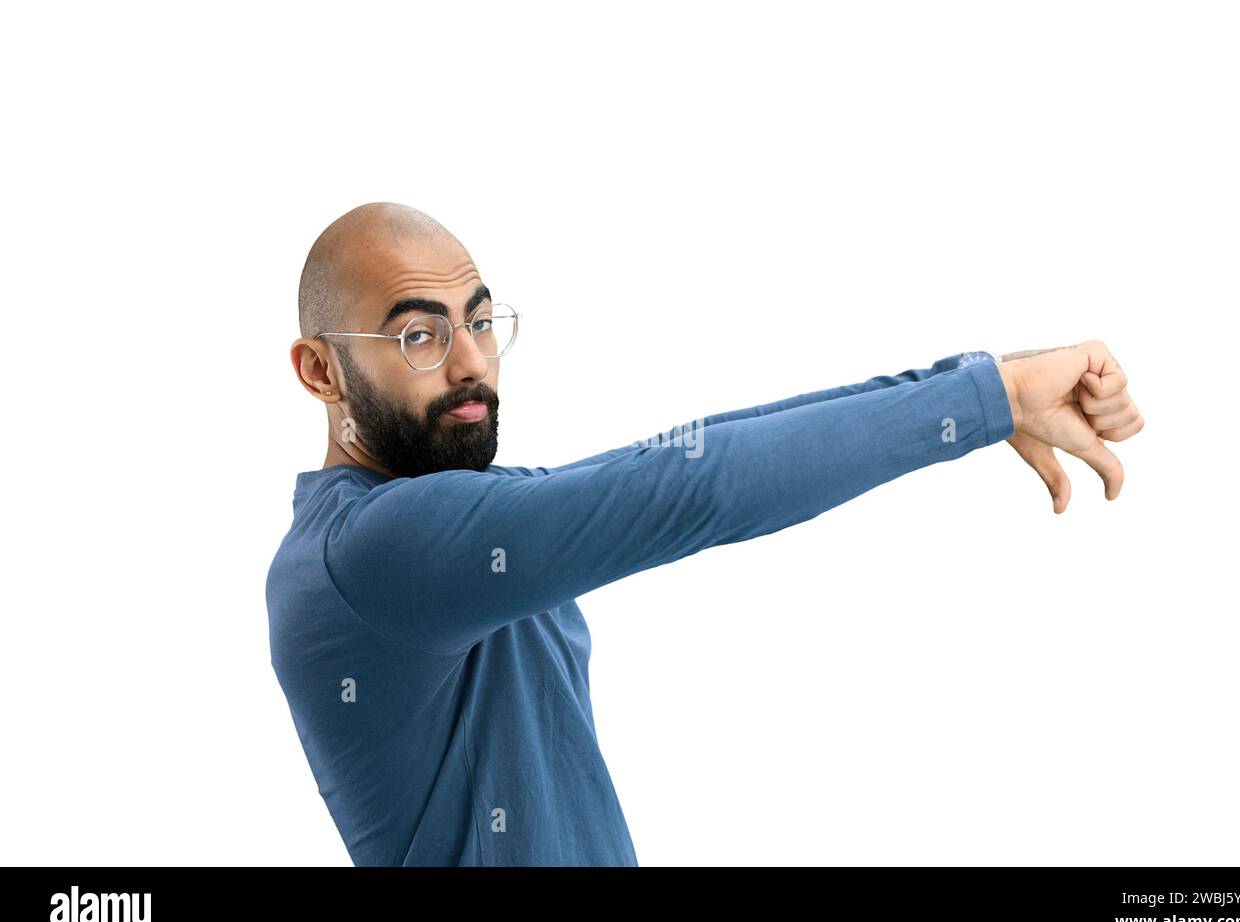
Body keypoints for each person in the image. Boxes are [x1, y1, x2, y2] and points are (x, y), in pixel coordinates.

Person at [266, 201, 1144, 866]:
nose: (469, 364)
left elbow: (686, 456)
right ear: (320, 372)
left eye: (481, 322)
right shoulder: (371, 556)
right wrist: (984, 400)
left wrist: (981, 389)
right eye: (419, 334)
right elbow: (688, 487)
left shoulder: (459, 514)